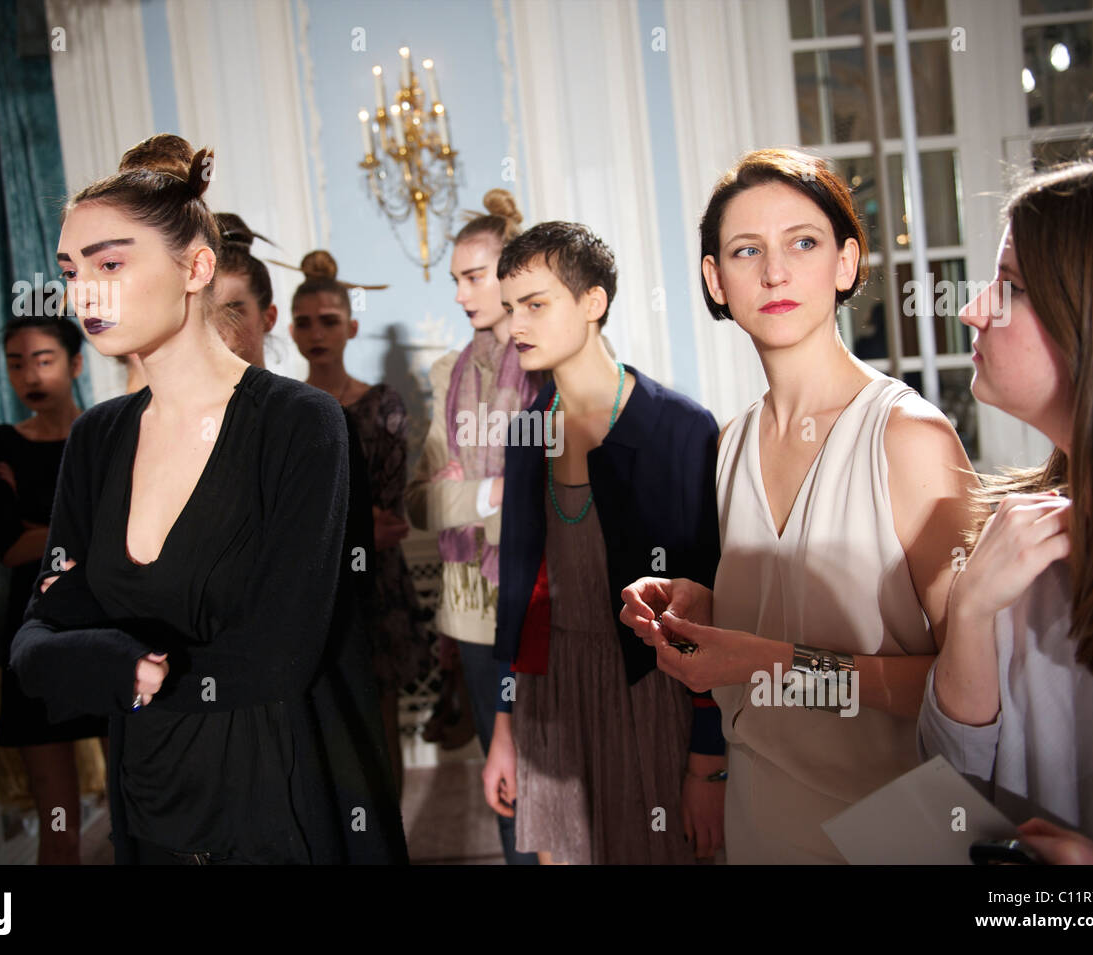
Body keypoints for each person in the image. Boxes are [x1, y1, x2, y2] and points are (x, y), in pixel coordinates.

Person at [10, 133, 406, 864]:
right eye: (71, 269)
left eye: (110, 262)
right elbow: (33, 646)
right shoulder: (98, 439)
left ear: (196, 266)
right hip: (151, 796)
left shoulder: (300, 423)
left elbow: (280, 656)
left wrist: (106, 655)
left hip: (281, 797)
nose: (83, 291)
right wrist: (119, 657)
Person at [621, 148, 976, 863]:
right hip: (761, 822)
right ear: (715, 280)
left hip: (893, 829)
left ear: (846, 264)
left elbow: (968, 684)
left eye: (803, 243)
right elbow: (787, 620)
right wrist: (707, 607)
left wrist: (762, 660)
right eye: (747, 250)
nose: (775, 272)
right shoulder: (730, 443)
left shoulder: (907, 438)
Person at [919, 152, 1093, 864]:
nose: (973, 308)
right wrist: (968, 614)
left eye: (1012, 287)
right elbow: (956, 791)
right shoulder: (1021, 536)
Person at [482, 221, 726, 864]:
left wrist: (709, 762)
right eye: (510, 309)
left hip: (651, 689)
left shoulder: (678, 426)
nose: (516, 327)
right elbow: (516, 592)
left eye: (536, 305)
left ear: (593, 302)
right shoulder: (526, 432)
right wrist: (504, 729)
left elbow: (709, 601)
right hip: (550, 695)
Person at [404, 188, 539, 863]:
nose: (459, 295)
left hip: (544, 598)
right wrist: (494, 490)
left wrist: (468, 492)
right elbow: (420, 506)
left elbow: (548, 497)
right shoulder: (445, 374)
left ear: (512, 272)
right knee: (508, 783)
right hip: (472, 610)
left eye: (472, 277)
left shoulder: (548, 363)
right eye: (454, 279)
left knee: (563, 778)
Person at [291, 251, 429, 796]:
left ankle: (390, 844)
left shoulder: (383, 403)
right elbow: (287, 518)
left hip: (376, 585)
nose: (316, 333)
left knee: (380, 725)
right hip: (310, 592)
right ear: (289, 327)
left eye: (328, 321)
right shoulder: (286, 408)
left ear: (351, 327)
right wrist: (349, 521)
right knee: (323, 727)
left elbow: (391, 519)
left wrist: (323, 524)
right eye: (305, 322)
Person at [0, 314, 107, 865]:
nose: (29, 373)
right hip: (37, 630)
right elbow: (8, 547)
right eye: (16, 361)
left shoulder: (106, 432)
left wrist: (43, 530)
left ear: (75, 364)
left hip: (109, 625)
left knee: (143, 805)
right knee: (59, 830)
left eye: (44, 359)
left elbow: (128, 533)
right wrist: (84, 528)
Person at [212, 212, 279, 368]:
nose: (216, 332)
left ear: (269, 318)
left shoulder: (300, 393)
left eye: (231, 315)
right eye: (203, 317)